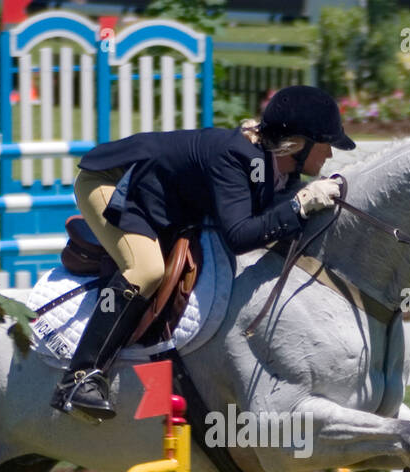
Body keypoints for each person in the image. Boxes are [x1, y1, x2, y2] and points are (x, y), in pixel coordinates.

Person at [50, 85, 356, 421]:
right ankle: (80, 379)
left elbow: (268, 214)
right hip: (113, 182)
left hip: (162, 196)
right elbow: (240, 236)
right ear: (298, 144)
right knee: (146, 270)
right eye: (326, 144)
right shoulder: (236, 157)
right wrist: (300, 205)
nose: (329, 154)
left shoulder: (275, 163)